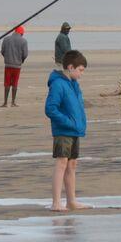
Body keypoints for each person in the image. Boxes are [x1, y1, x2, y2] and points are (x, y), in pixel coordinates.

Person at [45, 49, 90, 212]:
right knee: (61, 163)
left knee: (72, 164)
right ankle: (56, 202)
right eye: (80, 70)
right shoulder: (58, 84)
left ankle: (71, 201)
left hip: (75, 130)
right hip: (63, 130)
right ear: (70, 67)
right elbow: (50, 109)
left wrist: (79, 124)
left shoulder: (74, 84)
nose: (81, 74)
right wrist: (68, 122)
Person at [1, 24, 29, 107]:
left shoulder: (6, 39)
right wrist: (21, 60)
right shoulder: (23, 41)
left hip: (8, 65)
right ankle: (13, 102)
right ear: (21, 33)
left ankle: (5, 102)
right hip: (17, 65)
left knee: (7, 83)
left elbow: (2, 51)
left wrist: (7, 57)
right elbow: (25, 54)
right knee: (15, 83)